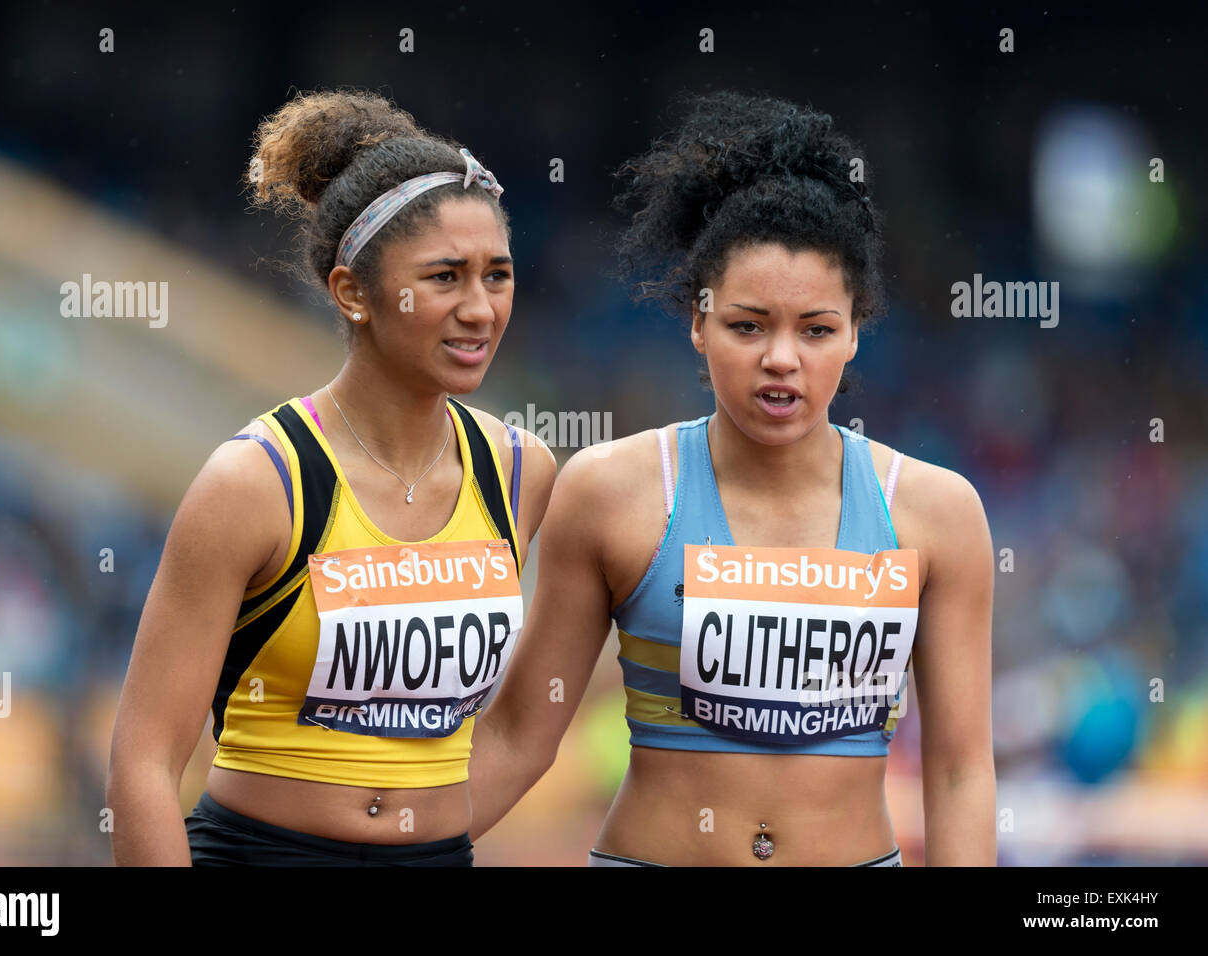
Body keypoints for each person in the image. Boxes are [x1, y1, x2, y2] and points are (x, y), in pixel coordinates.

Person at [469, 91, 995, 866]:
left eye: (816, 329)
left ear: (855, 332)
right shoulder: (613, 491)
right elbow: (519, 734)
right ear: (696, 321)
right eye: (747, 326)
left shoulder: (935, 512)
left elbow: (958, 770)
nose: (781, 358)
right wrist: (390, 852)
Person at [106, 89, 555, 866]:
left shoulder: (522, 472)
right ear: (352, 293)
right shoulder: (254, 483)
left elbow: (522, 731)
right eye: (445, 277)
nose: (481, 309)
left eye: (498, 275)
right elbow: (143, 762)